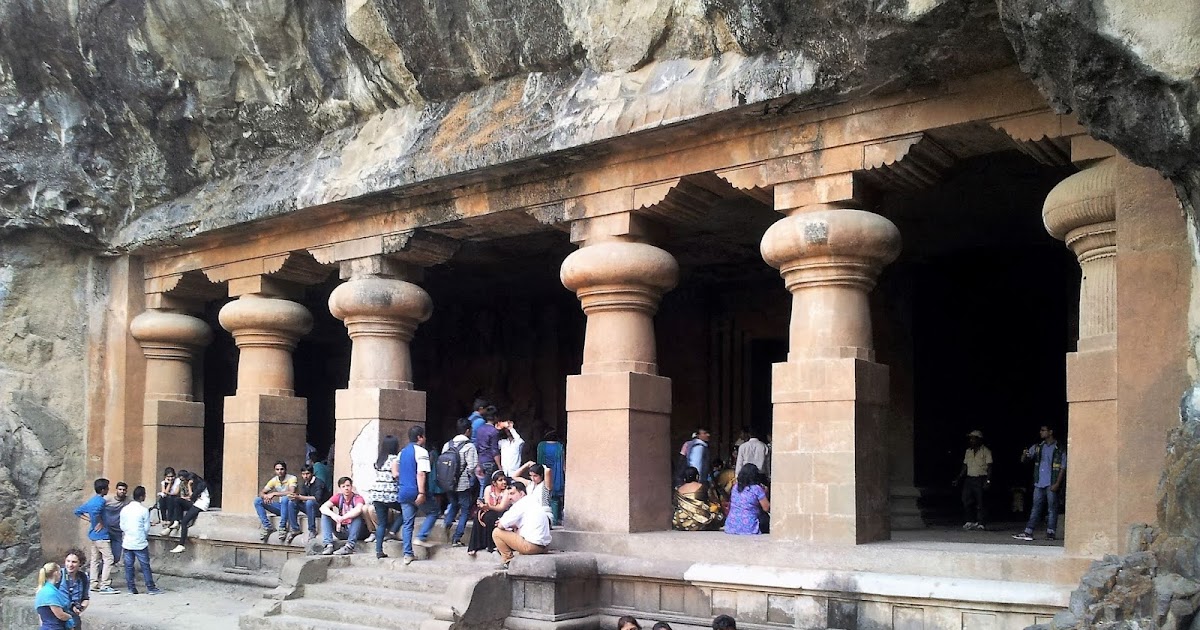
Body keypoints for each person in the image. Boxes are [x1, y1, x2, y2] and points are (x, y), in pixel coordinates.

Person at [1013, 425, 1067, 541]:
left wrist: (1057, 483)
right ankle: (1029, 531)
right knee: (1036, 508)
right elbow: (1024, 460)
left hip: (1051, 482)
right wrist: (1024, 454)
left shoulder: (1059, 448)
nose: (1041, 432)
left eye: (1043, 430)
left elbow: (1063, 467)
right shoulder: (1038, 447)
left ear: (1050, 432)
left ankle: (1050, 533)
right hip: (1039, 482)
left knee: (1052, 508)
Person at [492, 481, 552, 567]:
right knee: (514, 530)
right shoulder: (533, 501)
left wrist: (503, 524)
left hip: (532, 546)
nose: (509, 497)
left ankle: (508, 561)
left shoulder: (520, 504)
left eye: (512, 493)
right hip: (544, 547)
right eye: (508, 494)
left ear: (521, 493)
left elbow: (501, 525)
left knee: (497, 532)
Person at [73, 478, 116, 593]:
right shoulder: (101, 501)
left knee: (95, 560)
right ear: (103, 490)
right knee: (108, 559)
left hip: (93, 535)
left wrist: (91, 521)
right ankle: (105, 584)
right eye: (107, 488)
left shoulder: (92, 500)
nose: (108, 489)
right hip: (102, 535)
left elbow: (78, 511)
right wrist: (99, 522)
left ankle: (93, 583)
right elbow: (97, 512)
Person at [397, 425, 431, 565]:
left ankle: (407, 554)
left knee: (407, 523)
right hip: (415, 491)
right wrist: (422, 492)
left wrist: (397, 476)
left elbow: (395, 466)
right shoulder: (421, 452)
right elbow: (421, 473)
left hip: (403, 491)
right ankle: (421, 536)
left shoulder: (402, 452)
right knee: (434, 512)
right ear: (419, 437)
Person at [442, 418, 479, 547]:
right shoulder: (469, 446)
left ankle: (446, 525)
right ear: (468, 431)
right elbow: (472, 466)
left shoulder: (448, 444)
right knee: (465, 510)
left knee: (453, 503)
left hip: (448, 483)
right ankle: (456, 538)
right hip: (463, 484)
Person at [119, 486, 162, 595]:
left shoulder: (125, 509)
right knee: (145, 566)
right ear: (142, 496)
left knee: (129, 566)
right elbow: (146, 528)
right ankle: (150, 587)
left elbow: (122, 526)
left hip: (128, 541)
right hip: (140, 542)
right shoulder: (143, 510)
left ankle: (131, 588)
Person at [369, 435, 403, 558]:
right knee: (406, 510)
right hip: (390, 494)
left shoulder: (380, 459)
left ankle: (378, 550)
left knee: (382, 523)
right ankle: (393, 531)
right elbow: (395, 475)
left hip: (376, 494)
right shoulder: (395, 459)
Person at [320, 476, 369, 555]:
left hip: (357, 531)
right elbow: (323, 508)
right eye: (343, 486)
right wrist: (334, 516)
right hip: (342, 530)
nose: (346, 488)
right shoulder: (338, 497)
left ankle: (349, 546)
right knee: (325, 515)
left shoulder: (358, 498)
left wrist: (342, 518)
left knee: (357, 516)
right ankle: (328, 545)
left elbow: (358, 509)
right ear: (340, 488)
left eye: (348, 486)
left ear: (351, 487)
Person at [956, 429, 993, 530]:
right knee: (966, 500)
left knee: (980, 502)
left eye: (973, 438)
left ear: (979, 439)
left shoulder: (986, 451)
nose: (971, 440)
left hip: (980, 478)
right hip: (969, 479)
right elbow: (965, 466)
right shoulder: (968, 451)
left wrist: (988, 481)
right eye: (970, 439)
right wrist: (958, 478)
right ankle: (970, 521)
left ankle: (981, 522)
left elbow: (990, 467)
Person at [468, 470, 511, 556]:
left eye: (504, 480)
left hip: (503, 512)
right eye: (500, 480)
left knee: (490, 517)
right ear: (494, 483)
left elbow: (501, 507)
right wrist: (483, 506)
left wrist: (488, 507)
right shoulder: (488, 489)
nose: (504, 482)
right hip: (492, 510)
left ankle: (491, 545)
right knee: (479, 515)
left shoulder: (507, 491)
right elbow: (488, 503)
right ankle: (474, 546)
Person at [253, 460, 297, 542]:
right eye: (277, 469)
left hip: (291, 507)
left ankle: (282, 527)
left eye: (282, 469)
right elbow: (262, 492)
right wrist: (265, 496)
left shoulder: (292, 478)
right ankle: (267, 526)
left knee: (285, 498)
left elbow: (292, 492)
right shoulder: (274, 480)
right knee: (258, 500)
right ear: (274, 470)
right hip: (280, 507)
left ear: (285, 470)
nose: (279, 471)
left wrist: (274, 494)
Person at [169, 470, 210, 553]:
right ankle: (177, 521)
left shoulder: (201, 485)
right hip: (196, 503)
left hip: (201, 505)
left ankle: (181, 544)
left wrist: (189, 486)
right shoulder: (197, 485)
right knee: (177, 501)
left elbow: (192, 496)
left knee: (184, 522)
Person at [672, 467, 722, 531]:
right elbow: (714, 500)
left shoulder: (678, 489)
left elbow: (675, 503)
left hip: (678, 521)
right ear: (697, 476)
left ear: (684, 478)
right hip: (699, 520)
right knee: (718, 516)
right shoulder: (703, 487)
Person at [288, 464, 329, 544]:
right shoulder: (305, 484)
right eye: (303, 474)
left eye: (307, 474)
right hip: (310, 508)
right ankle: (295, 529)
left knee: (310, 502)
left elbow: (317, 498)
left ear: (312, 473)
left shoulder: (319, 483)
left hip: (321, 510)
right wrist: (295, 497)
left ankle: (312, 530)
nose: (305, 476)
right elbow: (302, 497)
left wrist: (301, 497)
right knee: (291, 503)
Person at [725, 464, 769, 535]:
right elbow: (766, 508)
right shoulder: (757, 489)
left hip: (731, 526)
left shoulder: (735, 487)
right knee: (765, 518)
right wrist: (766, 493)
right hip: (749, 527)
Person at [536, 430, 566, 526]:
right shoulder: (559, 446)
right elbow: (563, 462)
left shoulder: (541, 445)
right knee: (555, 498)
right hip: (557, 474)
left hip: (543, 472)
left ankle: (544, 521)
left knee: (543, 497)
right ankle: (555, 520)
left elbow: (539, 460)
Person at [55, 550, 88, 630]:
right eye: (68, 561)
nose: (70, 565)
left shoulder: (83, 577)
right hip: (59, 617)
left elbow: (85, 598)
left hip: (74, 618)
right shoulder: (58, 575)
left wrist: (80, 608)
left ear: (80, 563)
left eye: (74, 562)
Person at [35, 562, 73, 630]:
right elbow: (60, 615)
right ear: (56, 573)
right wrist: (70, 617)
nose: (61, 574)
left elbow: (40, 617)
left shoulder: (40, 591)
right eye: (60, 572)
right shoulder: (51, 593)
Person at [475, 410, 502, 499]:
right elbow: (494, 450)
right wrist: (499, 466)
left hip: (481, 461)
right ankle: (483, 505)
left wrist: (478, 464)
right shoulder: (494, 432)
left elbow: (477, 447)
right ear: (495, 417)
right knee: (488, 487)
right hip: (490, 461)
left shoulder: (479, 430)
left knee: (483, 485)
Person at [103, 482, 130, 568]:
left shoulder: (128, 501)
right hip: (106, 530)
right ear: (116, 490)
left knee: (117, 554)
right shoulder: (107, 500)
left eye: (124, 490)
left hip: (118, 531)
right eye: (120, 489)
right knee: (105, 555)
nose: (122, 491)